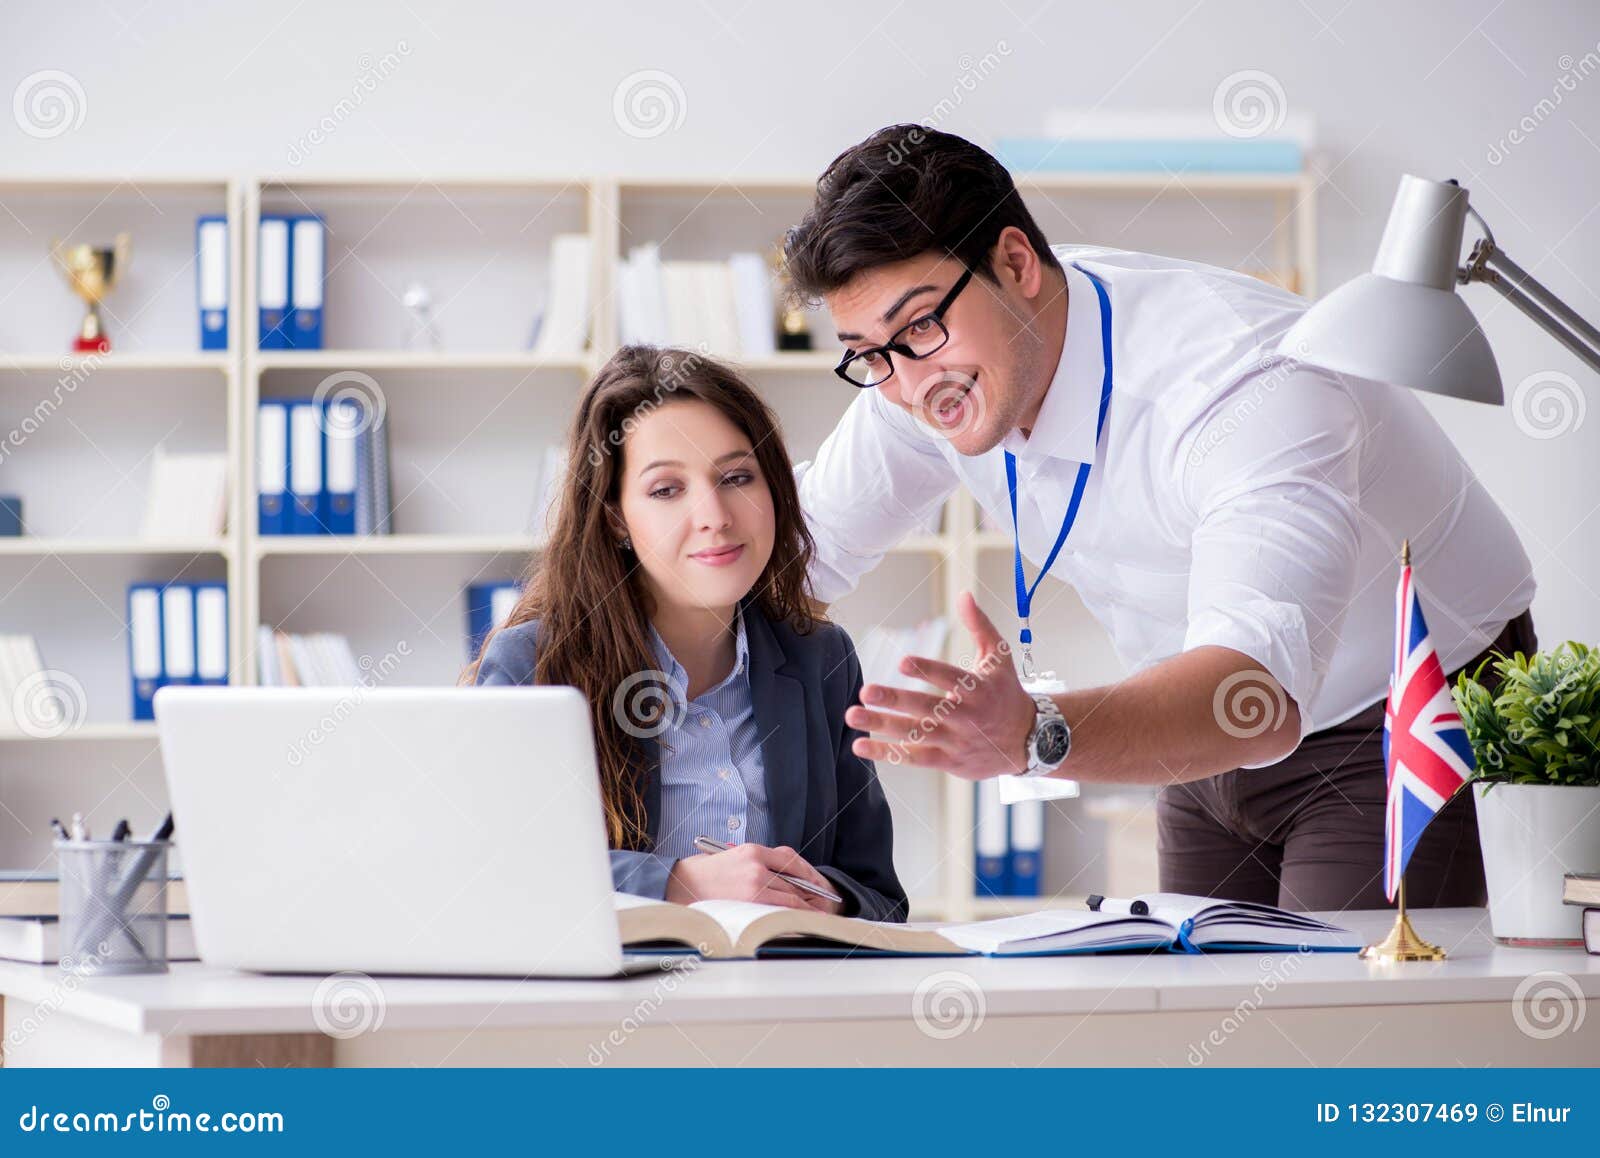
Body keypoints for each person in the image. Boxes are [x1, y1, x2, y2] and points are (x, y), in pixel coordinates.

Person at [784, 125, 1537, 912]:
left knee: (1341, 1014)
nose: (906, 385)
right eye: (869, 353)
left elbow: (1258, 691)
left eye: (916, 329)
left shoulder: (1245, 386)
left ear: (1015, 264)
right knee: (1204, 1009)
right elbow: (803, 550)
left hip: (1401, 706)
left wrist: (1032, 735)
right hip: (1198, 718)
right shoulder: (929, 365)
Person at [468, 345, 907, 922]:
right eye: (666, 490)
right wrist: (676, 882)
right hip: (603, 1008)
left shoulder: (820, 658)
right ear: (616, 519)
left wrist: (823, 898)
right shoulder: (532, 665)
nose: (715, 515)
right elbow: (491, 871)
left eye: (736, 477)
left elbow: (880, 898)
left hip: (781, 1002)